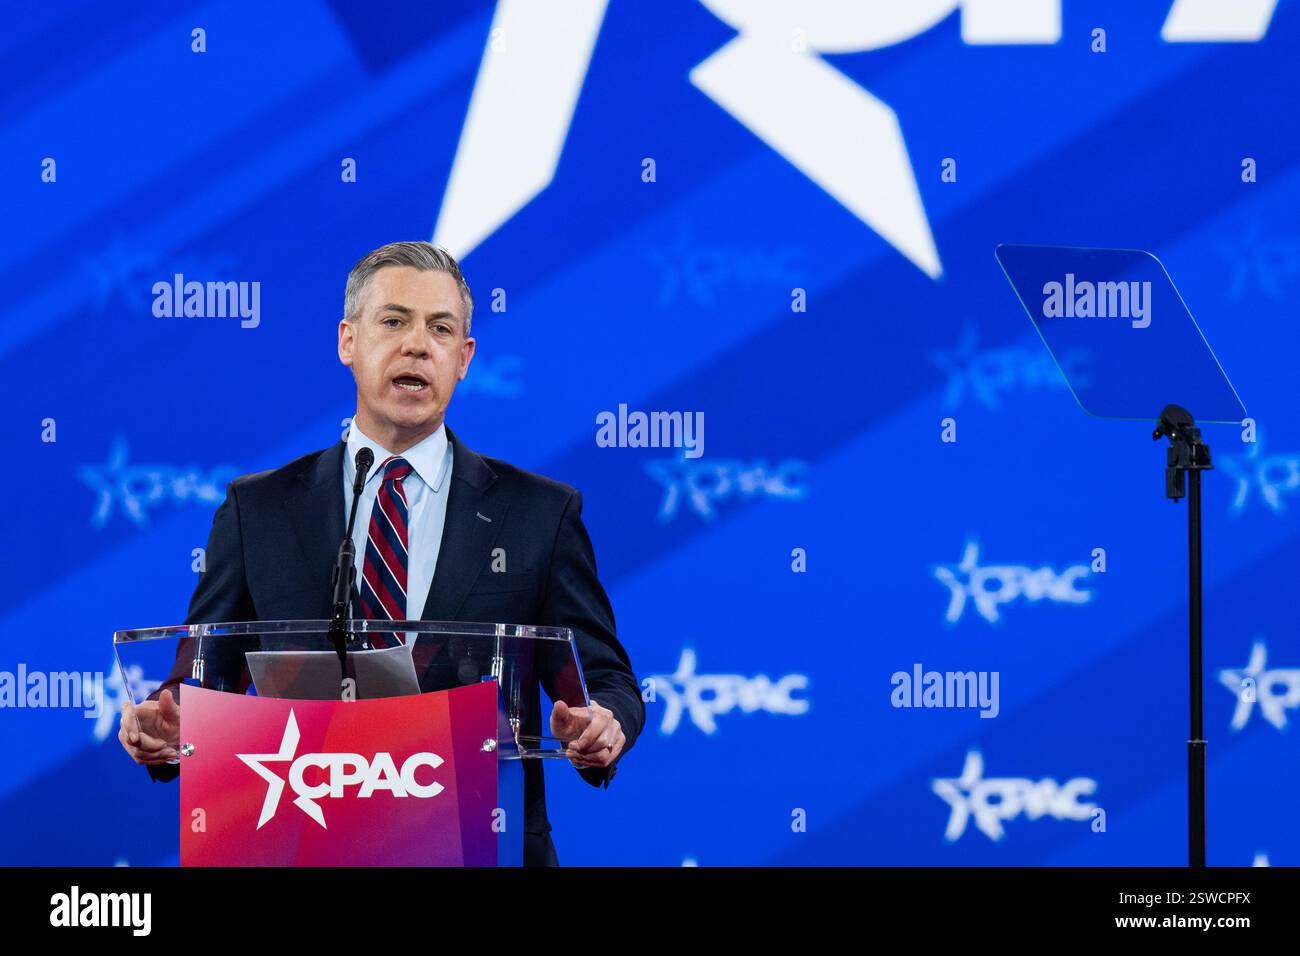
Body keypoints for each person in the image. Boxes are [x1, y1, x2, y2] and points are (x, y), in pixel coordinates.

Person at [117, 241, 643, 866]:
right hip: (299, 844)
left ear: (464, 358)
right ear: (347, 341)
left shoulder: (539, 513)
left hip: (481, 847)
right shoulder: (258, 508)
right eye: (394, 321)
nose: (418, 344)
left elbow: (606, 677)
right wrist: (167, 724)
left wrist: (602, 722)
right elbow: (202, 674)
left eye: (440, 329)